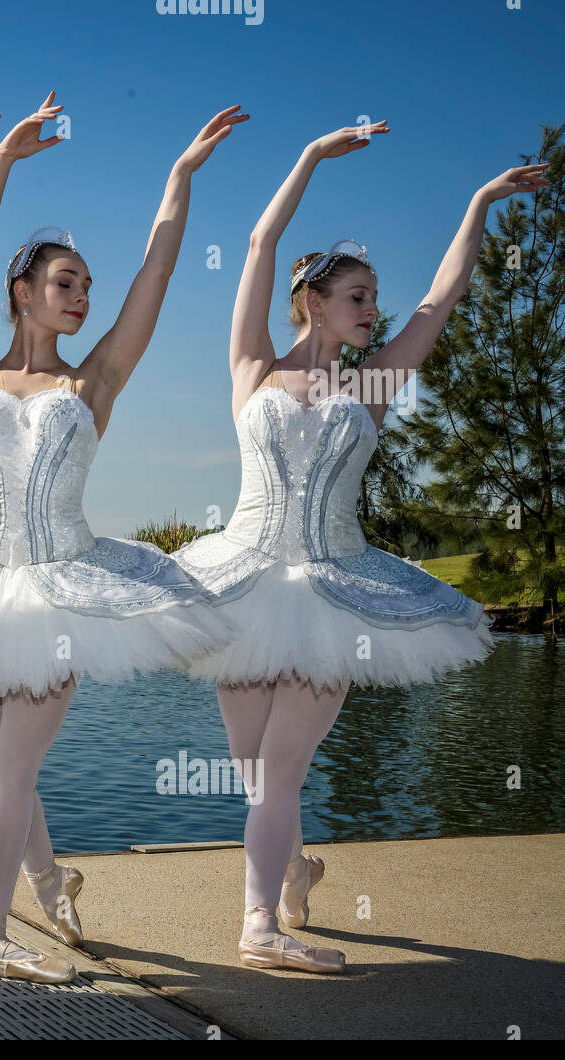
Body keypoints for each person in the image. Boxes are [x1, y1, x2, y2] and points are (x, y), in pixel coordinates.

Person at [172, 120, 547, 972]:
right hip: (239, 583)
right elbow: (263, 240)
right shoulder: (253, 368)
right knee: (254, 771)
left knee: (278, 774)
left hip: (335, 592)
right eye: (358, 295)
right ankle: (295, 871)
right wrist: (308, 157)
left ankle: (260, 925)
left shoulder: (371, 385)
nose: (374, 308)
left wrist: (480, 199)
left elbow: (441, 299)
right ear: (312, 300)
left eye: (375, 296)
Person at [0, 96, 245, 982]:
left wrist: (180, 177)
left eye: (87, 285)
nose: (83, 296)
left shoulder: (93, 383)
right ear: (22, 291)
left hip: (62, 588)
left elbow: (156, 279)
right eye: (65, 282)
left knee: (14, 771)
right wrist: (0, 160)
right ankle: (51, 878)